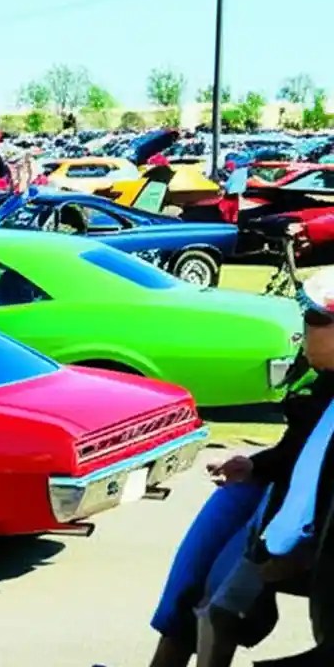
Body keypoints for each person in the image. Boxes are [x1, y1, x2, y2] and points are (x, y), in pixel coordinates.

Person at [143, 267, 334, 667]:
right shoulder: (317, 376)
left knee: (218, 607)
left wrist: (294, 545)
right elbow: (299, 448)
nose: (306, 324)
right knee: (186, 589)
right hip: (270, 489)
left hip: (293, 518)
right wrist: (252, 463)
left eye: (317, 317)